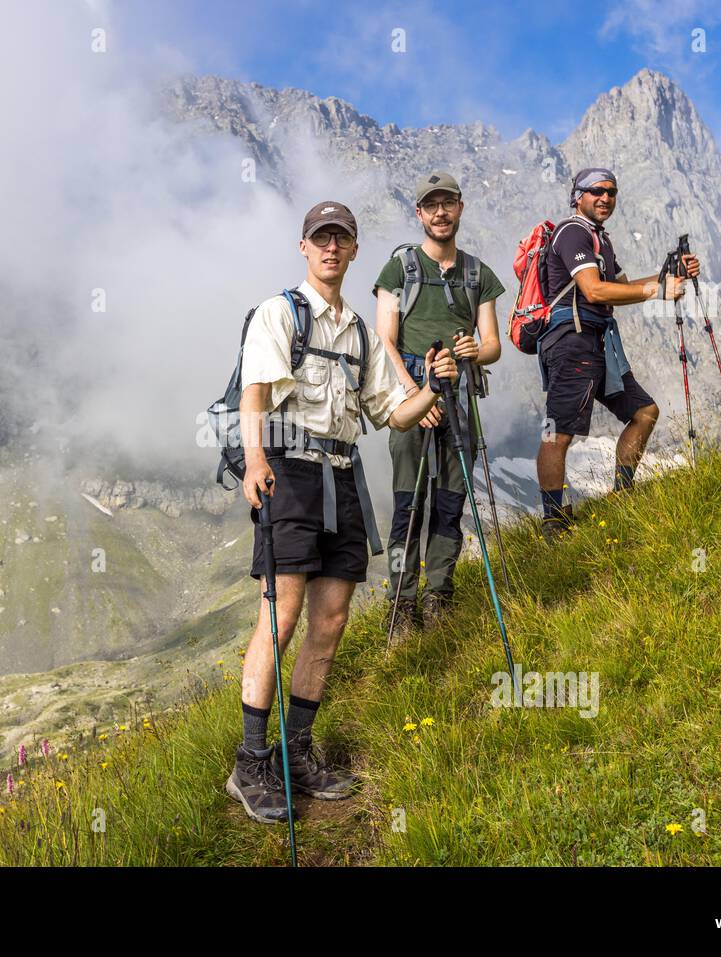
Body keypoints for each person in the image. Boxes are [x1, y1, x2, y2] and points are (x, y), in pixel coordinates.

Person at [229, 200, 459, 824]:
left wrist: (434, 384)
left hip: (343, 473)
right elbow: (255, 394)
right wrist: (255, 461)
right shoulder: (280, 313)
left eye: (343, 239)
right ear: (304, 246)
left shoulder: (361, 332)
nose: (332, 248)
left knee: (330, 620)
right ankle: (251, 760)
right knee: (282, 614)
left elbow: (395, 413)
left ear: (355, 250)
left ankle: (295, 755)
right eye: (321, 238)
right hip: (288, 471)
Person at [536, 167, 700, 540]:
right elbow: (594, 291)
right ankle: (553, 522)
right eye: (596, 191)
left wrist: (671, 276)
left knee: (644, 412)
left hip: (598, 342)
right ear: (578, 196)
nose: (605, 198)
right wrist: (656, 292)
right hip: (571, 341)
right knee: (557, 433)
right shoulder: (573, 231)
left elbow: (622, 288)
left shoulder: (599, 239)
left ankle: (623, 497)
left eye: (612, 192)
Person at [372, 171, 505, 631]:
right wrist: (414, 392)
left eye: (447, 203)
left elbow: (493, 345)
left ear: (460, 208)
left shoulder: (477, 273)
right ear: (420, 214)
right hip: (414, 394)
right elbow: (384, 342)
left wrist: (476, 350)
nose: (440, 212)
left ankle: (438, 598)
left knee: (450, 502)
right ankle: (402, 603)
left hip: (461, 395)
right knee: (409, 500)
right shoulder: (399, 271)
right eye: (431, 205)